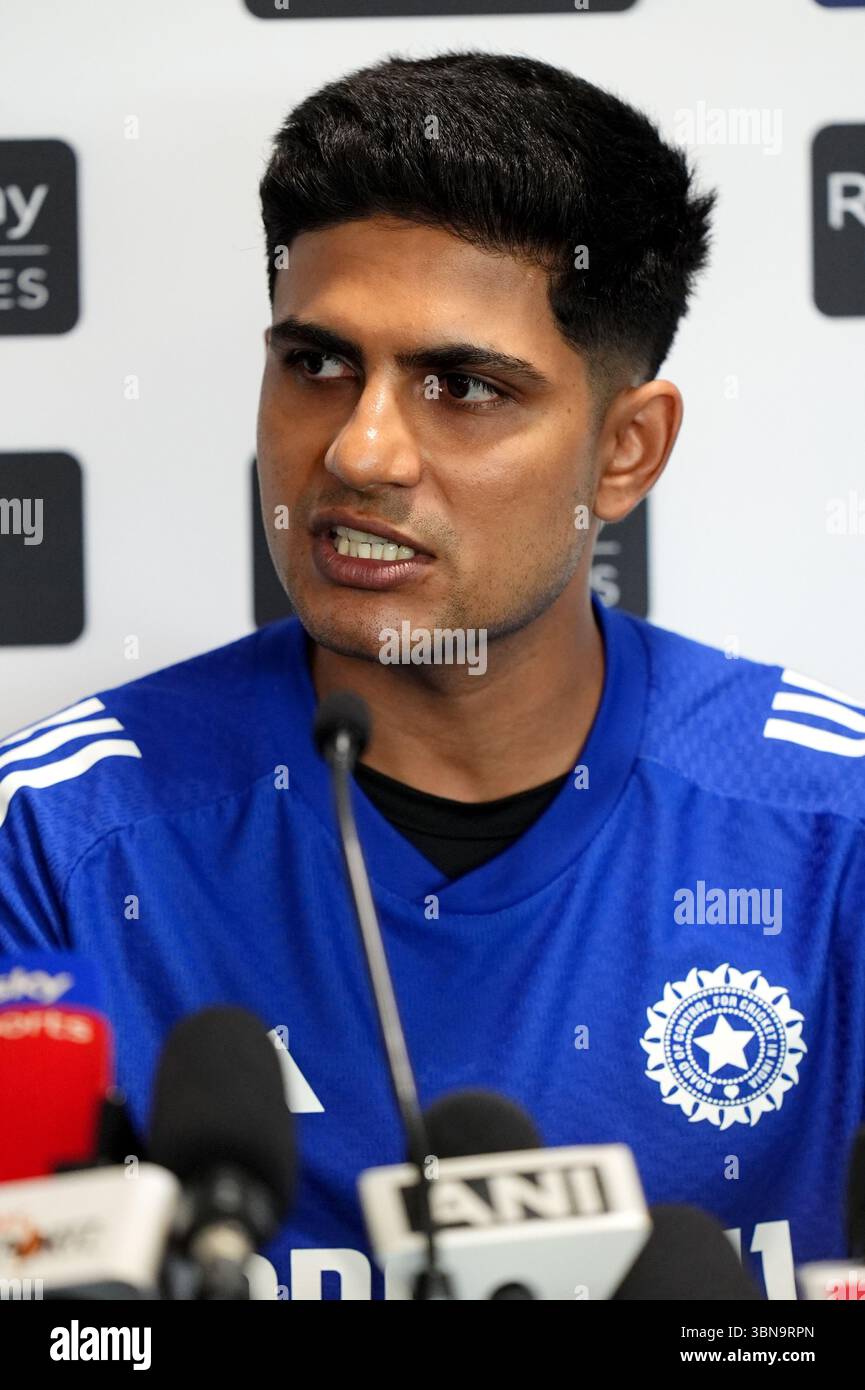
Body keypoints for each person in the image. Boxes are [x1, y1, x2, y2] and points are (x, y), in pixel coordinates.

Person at [1, 52, 862, 1300]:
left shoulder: (830, 838)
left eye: (460, 386)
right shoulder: (58, 842)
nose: (357, 449)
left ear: (626, 450)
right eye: (315, 364)